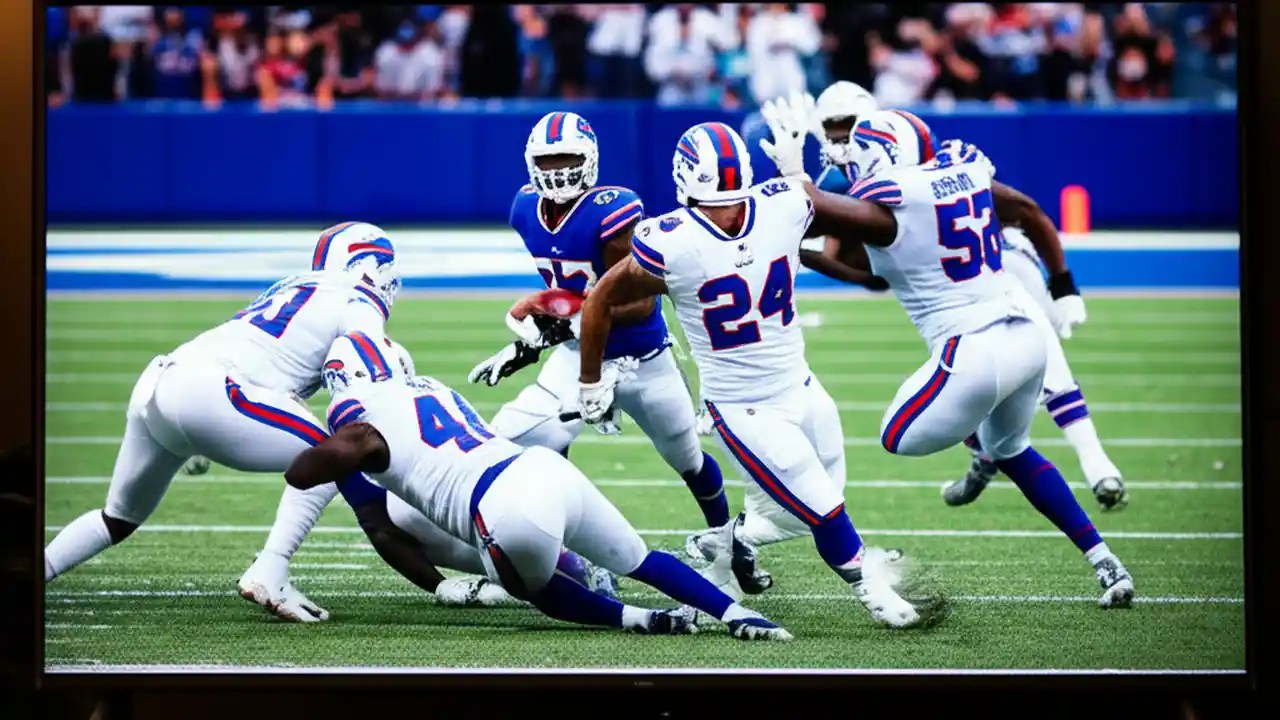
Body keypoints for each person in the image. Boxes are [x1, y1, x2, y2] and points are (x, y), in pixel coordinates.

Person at [754, 92, 1135, 608]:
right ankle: (1105, 561)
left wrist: (792, 168)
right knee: (1015, 451)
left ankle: (978, 447)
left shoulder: (892, 209)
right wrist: (1063, 283)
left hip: (972, 350)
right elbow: (1024, 209)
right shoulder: (964, 172)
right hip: (1026, 336)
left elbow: (810, 208)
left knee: (895, 435)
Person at [573, 119, 944, 629]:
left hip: (801, 385)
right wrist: (589, 380)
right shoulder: (766, 207)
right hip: (741, 406)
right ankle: (872, 588)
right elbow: (603, 299)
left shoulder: (742, 216)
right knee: (823, 504)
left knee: (808, 507)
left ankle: (728, 541)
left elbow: (600, 298)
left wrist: (800, 178)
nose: (726, 212)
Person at [285, 333, 793, 641]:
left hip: (502, 507)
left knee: (537, 591)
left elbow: (303, 472)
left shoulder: (358, 421)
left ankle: (640, 619)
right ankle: (740, 614)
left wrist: (301, 423)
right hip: (544, 470)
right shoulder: (431, 388)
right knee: (642, 559)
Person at [44, 223, 399, 623]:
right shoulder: (358, 298)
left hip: (160, 382)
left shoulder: (290, 287)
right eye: (386, 265)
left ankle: (34, 571)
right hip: (211, 392)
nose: (392, 278)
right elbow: (366, 369)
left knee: (117, 518)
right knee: (334, 456)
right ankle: (271, 568)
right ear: (366, 264)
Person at [805, 93, 1128, 510]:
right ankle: (988, 449)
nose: (840, 135)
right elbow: (869, 271)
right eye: (832, 125)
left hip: (999, 260)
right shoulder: (854, 174)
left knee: (1040, 358)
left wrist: (1063, 285)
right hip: (955, 284)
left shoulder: (931, 164)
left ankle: (1094, 463)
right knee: (972, 376)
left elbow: (1025, 211)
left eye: (848, 122)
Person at [467, 111, 730, 533]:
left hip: (642, 359)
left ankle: (727, 539)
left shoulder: (613, 210)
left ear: (588, 158)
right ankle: (564, 553)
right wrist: (531, 342)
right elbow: (570, 302)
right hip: (576, 356)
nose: (556, 172)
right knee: (518, 441)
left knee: (688, 459)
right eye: (547, 162)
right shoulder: (525, 210)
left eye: (566, 159)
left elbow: (639, 303)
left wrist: (562, 320)